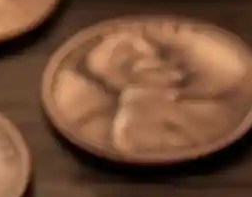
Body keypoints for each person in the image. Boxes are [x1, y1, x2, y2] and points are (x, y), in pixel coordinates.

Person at [84, 29, 230, 156]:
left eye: (156, 55)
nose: (158, 62)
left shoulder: (168, 94)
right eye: (134, 59)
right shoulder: (143, 103)